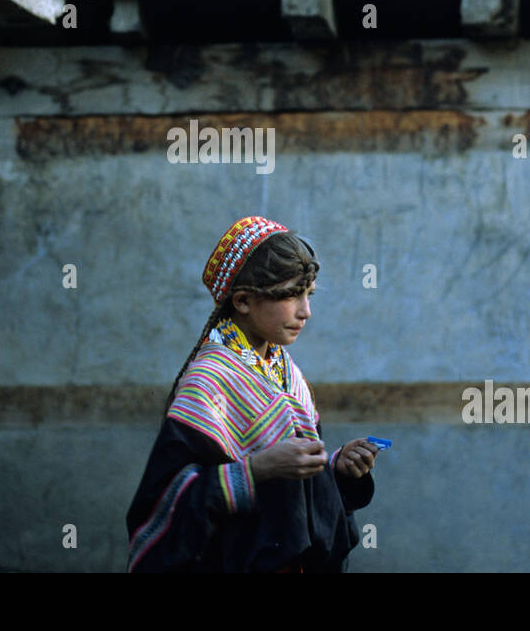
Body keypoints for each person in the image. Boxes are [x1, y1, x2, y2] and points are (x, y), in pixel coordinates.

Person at [126, 216, 378, 572]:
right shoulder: (208, 381)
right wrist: (256, 470)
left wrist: (335, 468)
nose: (306, 312)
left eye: (309, 295)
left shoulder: (286, 371)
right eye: (291, 295)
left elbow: (297, 496)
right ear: (243, 301)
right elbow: (161, 506)